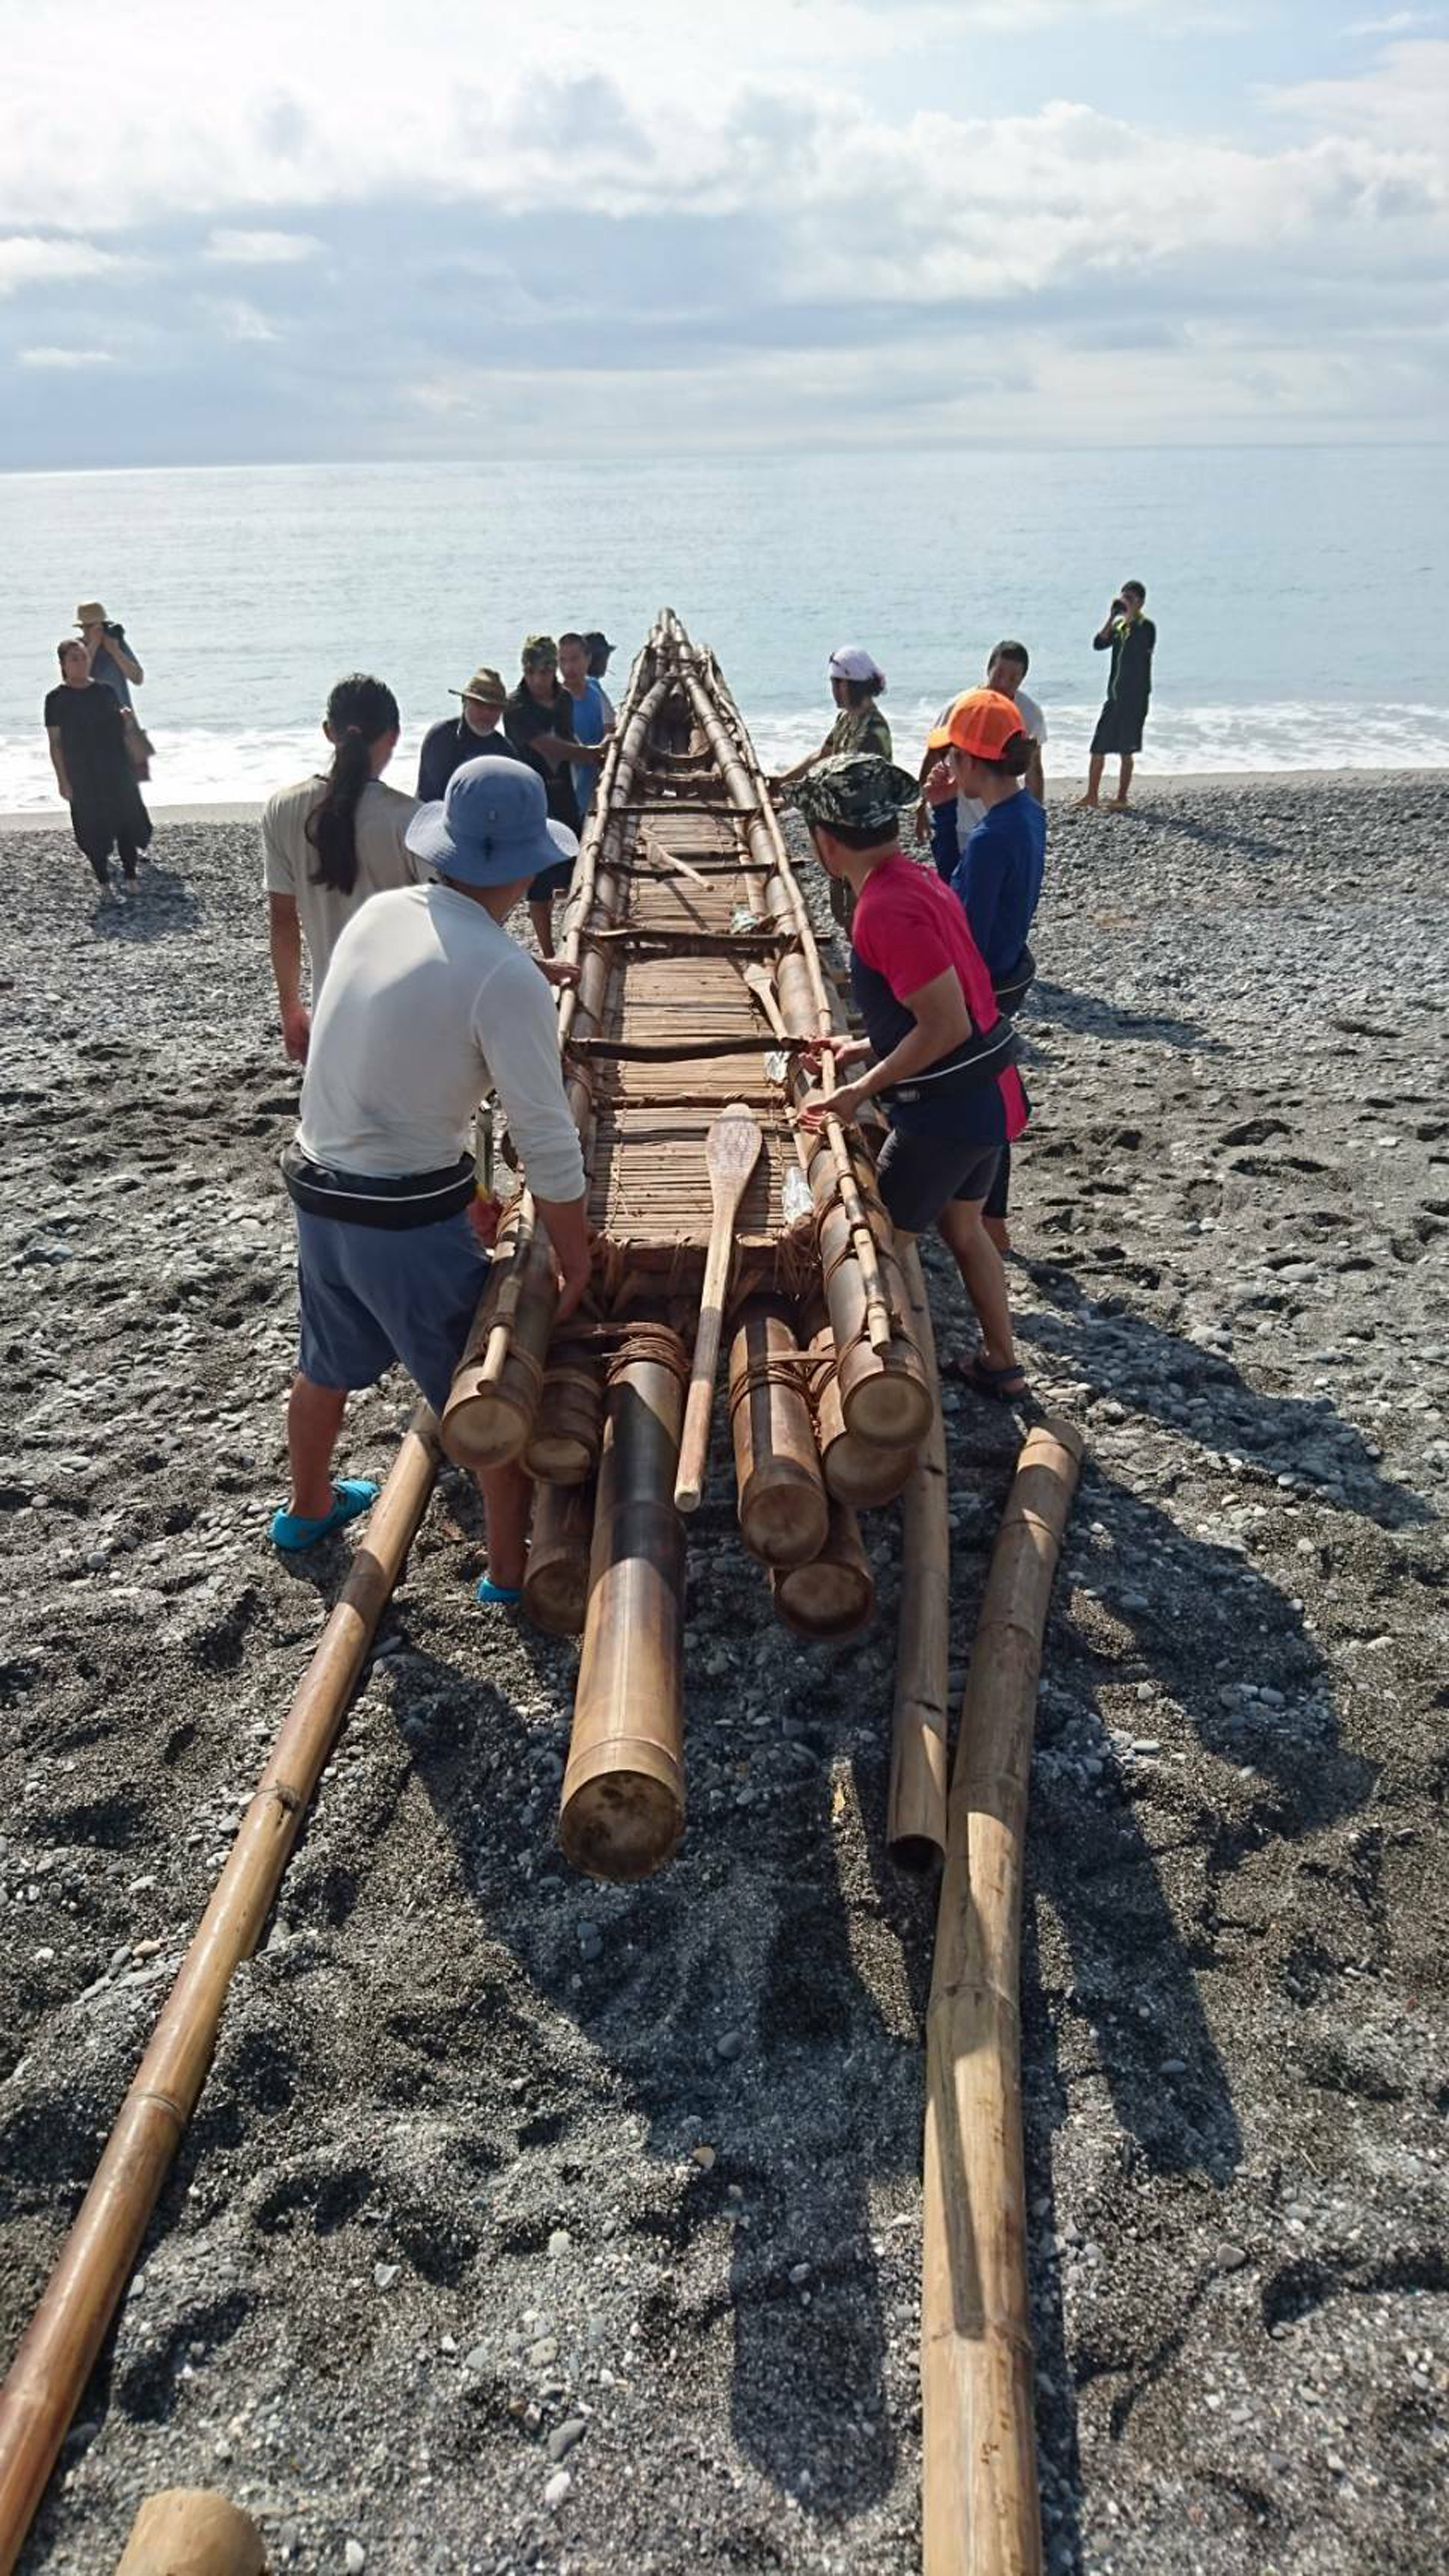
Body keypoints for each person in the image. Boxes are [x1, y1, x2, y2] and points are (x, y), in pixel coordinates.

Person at [273, 757, 591, 1606]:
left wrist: (519, 975)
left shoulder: (384, 914)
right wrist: (575, 1255)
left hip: (316, 1186)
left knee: (323, 1361)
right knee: (480, 1391)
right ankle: (508, 1573)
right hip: (401, 1218)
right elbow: (545, 1138)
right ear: (528, 867)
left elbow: (420, 994)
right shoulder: (502, 975)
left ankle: (306, 1508)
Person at [791, 754, 1030, 1400]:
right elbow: (941, 1009)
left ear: (826, 840)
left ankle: (885, 1384)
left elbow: (944, 1024)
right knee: (963, 1228)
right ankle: (1001, 1361)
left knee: (877, 1242)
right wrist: (858, 1047)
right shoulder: (919, 881)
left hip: (946, 1114)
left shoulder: (882, 909)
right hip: (987, 1096)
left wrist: (859, 1090)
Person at [923, 690, 1046, 1252]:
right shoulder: (1025, 815)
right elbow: (964, 896)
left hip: (984, 980)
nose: (948, 766)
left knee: (978, 1096)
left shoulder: (994, 837)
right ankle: (987, 1219)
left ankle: (984, 1221)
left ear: (973, 761)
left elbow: (959, 925)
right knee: (987, 1088)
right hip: (1007, 969)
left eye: (953, 757)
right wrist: (947, 813)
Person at [263, 675, 419, 1065]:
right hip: (404, 1016)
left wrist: (290, 1008)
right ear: (394, 735)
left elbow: (283, 923)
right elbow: (454, 921)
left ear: (329, 732)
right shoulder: (411, 820)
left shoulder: (283, 809)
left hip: (330, 1016)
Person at [504, 635, 603, 957]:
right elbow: (547, 746)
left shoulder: (562, 699)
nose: (538, 679)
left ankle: (579, 936)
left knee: (577, 869)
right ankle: (548, 953)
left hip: (562, 794)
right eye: (531, 672)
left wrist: (590, 753)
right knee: (539, 886)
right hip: (529, 799)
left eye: (544, 672)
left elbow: (566, 737)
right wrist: (590, 754)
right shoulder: (516, 706)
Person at [44, 638, 153, 898]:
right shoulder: (55, 699)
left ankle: (130, 875)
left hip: (116, 767)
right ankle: (103, 880)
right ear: (62, 664)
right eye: (74, 658)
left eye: (84, 657)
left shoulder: (105, 691)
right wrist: (62, 780)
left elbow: (123, 730)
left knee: (126, 820)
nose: (81, 662)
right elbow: (55, 744)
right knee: (90, 827)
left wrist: (128, 721)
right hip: (81, 772)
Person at [772, 646, 892, 792]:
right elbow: (822, 755)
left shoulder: (872, 731)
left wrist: (791, 796)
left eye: (835, 683)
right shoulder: (845, 717)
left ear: (847, 685)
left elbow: (850, 787)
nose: (834, 690)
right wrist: (782, 781)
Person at [1082, 580, 1155, 810]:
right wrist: (1112, 617)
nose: (1126, 602)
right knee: (1098, 747)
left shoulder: (1146, 628)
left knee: (1126, 750)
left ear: (1141, 602)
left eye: (1130, 599)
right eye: (1124, 598)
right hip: (1113, 698)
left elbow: (1140, 647)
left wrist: (1130, 618)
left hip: (1134, 700)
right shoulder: (1120, 627)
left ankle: (1122, 797)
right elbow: (1098, 643)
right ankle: (1091, 795)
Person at [415, 666, 529, 804]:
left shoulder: (505, 750)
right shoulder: (441, 737)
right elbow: (439, 794)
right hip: (435, 813)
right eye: (479, 704)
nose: (487, 713)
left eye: (494, 707)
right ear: (464, 702)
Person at [558, 631, 611, 823]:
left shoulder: (595, 688)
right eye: (562, 661)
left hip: (602, 781)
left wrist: (608, 743)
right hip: (573, 793)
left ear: (588, 659)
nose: (568, 667)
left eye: (574, 660)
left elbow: (610, 727)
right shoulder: (557, 701)